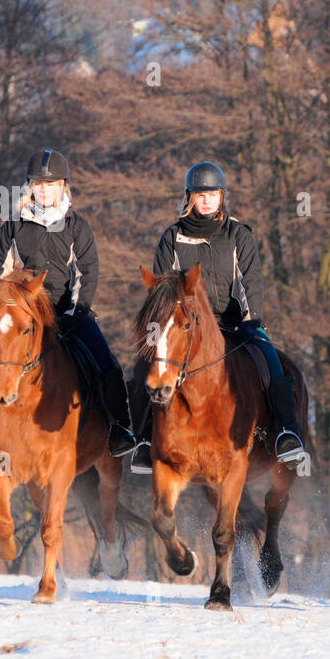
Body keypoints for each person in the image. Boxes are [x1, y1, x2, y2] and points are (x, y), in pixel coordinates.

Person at [0, 148, 138, 457]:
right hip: (18, 311)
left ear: (63, 186)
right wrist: (9, 304)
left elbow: (87, 272)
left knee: (107, 363)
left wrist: (76, 312)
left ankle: (120, 429)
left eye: (50, 184)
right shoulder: (13, 226)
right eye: (38, 183)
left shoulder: (78, 227)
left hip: (65, 312)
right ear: (29, 187)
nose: (43, 189)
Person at [129, 161, 304, 474]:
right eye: (201, 194)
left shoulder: (238, 234)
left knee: (270, 359)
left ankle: (286, 433)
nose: (207, 199)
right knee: (145, 363)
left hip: (233, 322)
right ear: (190, 197)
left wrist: (253, 319)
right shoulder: (172, 237)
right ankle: (144, 440)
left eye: (213, 194)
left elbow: (251, 280)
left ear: (222, 196)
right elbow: (162, 289)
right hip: (184, 326)